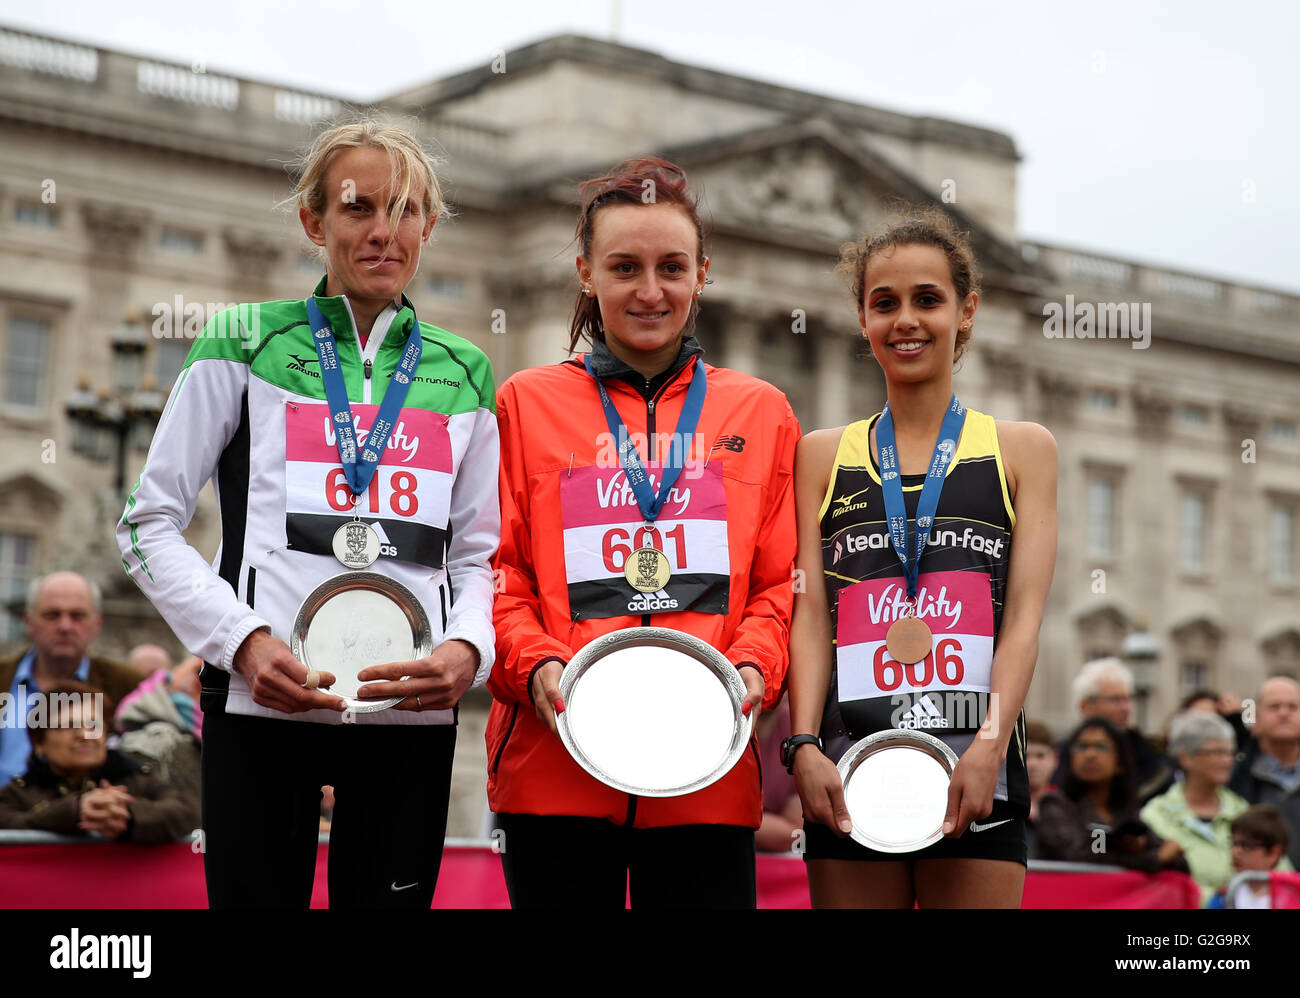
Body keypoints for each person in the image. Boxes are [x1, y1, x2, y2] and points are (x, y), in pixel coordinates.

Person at [116, 120, 500, 909]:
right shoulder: (240, 339)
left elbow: (476, 557)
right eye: (358, 208)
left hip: (410, 713)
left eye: (406, 210)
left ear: (429, 225)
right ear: (313, 222)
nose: (384, 231)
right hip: (264, 698)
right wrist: (241, 644)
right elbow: (146, 523)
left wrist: (469, 649)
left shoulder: (466, 368)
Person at [487, 157, 799, 908]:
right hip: (554, 763)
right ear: (586, 273)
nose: (650, 291)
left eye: (672, 267)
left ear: (702, 274)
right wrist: (537, 670)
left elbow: (778, 584)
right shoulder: (524, 402)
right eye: (625, 267)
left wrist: (753, 672)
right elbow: (492, 574)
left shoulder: (762, 412)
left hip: (707, 773)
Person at [787, 208, 1057, 908]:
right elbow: (812, 617)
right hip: (851, 765)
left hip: (980, 766)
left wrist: (990, 747)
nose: (905, 320)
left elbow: (1023, 620)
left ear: (966, 311)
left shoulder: (1023, 449)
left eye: (927, 300)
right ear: (862, 318)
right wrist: (804, 745)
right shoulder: (820, 454)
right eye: (885, 303)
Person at [0, 681, 195, 844]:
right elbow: (9, 822)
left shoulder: (139, 779)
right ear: (39, 742)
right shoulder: (17, 794)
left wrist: (127, 814)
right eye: (68, 726)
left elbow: (188, 813)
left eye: (93, 725)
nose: (85, 735)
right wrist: (74, 811)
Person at [0, 572, 142, 789]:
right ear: (29, 622)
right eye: (52, 615)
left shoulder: (129, 686)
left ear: (97, 623)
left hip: (87, 817)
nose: (65, 626)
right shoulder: (4, 677)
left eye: (77, 616)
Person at [1036, 718, 1188, 874]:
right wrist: (1153, 859)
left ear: (1120, 763)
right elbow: (1081, 857)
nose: (1090, 754)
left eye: (1101, 747)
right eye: (1082, 747)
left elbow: (1175, 857)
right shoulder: (1055, 804)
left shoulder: (1124, 811)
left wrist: (1141, 847)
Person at [1140, 711, 1253, 902]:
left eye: (1230, 753)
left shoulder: (1243, 811)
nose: (1227, 761)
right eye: (1216, 752)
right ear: (1186, 758)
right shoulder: (1155, 815)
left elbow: (1278, 871)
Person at [1052, 658, 1173, 803]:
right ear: (1085, 706)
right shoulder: (1058, 759)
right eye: (1115, 700)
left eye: (1128, 699)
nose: (1126, 708)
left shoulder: (1153, 760)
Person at [1229, 675, 1300, 869]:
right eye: (1274, 707)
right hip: (1262, 887)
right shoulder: (1235, 774)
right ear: (1257, 717)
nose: (1284, 713)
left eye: (1293, 707)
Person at [1207, 805, 1292, 908]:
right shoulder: (1223, 897)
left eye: (1246, 845)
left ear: (1273, 853)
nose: (1235, 851)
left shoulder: (1291, 897)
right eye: (1234, 843)